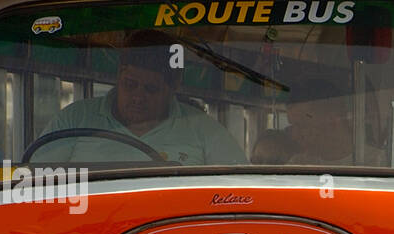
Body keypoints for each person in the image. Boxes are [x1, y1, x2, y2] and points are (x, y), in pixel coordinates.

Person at [35, 33, 247, 165]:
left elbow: (239, 189)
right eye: (130, 85)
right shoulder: (74, 120)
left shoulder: (205, 132)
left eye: (151, 89)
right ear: (119, 75)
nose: (138, 96)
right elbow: (36, 184)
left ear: (174, 86)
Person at [251, 80, 354, 166]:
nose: (295, 135)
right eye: (293, 126)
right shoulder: (298, 164)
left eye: (302, 125)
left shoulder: (368, 166)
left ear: (332, 120)